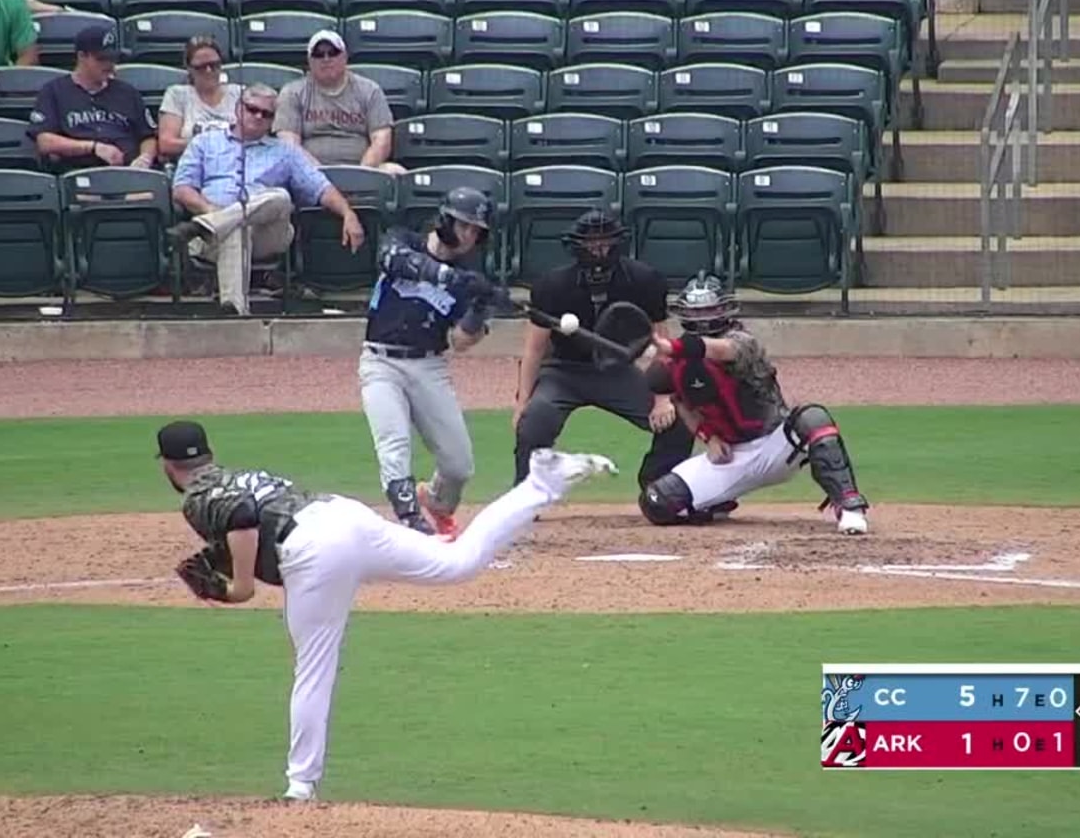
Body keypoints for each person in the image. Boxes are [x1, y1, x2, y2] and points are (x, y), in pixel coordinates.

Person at [157, 419, 617, 802]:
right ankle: (542, 482)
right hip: (344, 516)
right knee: (457, 563)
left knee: (314, 669)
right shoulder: (241, 473)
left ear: (168, 466)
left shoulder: (196, 499)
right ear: (207, 454)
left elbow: (239, 517)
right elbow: (248, 509)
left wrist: (238, 588)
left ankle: (300, 786)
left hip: (316, 552)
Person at [635, 273, 872, 535]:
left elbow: (721, 350)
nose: (702, 317)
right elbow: (683, 404)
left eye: (709, 309)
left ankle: (849, 506)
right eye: (696, 311)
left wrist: (672, 346)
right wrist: (709, 437)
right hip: (731, 456)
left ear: (724, 309)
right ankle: (715, 502)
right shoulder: (676, 361)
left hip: (775, 445)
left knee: (812, 417)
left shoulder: (743, 342)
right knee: (657, 502)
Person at [359, 187, 509, 537]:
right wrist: (449, 277)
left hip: (428, 366)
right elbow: (391, 259)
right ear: (445, 221)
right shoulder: (403, 240)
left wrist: (480, 309)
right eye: (464, 226)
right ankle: (410, 518)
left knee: (459, 464)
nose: (470, 236)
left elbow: (459, 342)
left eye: (476, 231)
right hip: (380, 363)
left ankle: (437, 504)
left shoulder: (468, 278)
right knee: (393, 443)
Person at [512, 208, 695, 492]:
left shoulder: (644, 280)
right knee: (534, 422)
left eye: (605, 241)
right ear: (577, 245)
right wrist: (522, 402)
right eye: (591, 242)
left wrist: (662, 398)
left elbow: (663, 345)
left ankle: (660, 489)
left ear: (618, 242)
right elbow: (534, 350)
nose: (598, 248)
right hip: (562, 371)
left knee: (680, 419)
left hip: (617, 371)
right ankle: (525, 495)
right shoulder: (552, 286)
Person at [168, 84, 366, 316]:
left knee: (280, 197)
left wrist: (348, 213)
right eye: (253, 109)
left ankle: (209, 224)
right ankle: (235, 312)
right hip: (213, 238)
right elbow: (181, 188)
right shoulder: (204, 143)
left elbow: (320, 186)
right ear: (238, 108)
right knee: (236, 228)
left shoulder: (285, 151)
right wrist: (211, 209)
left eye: (267, 114)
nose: (259, 117)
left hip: (267, 234)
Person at [28, 25, 157, 173]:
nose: (109, 64)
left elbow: (148, 136)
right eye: (102, 59)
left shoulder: (128, 92)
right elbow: (44, 141)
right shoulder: (54, 91)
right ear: (81, 56)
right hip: (78, 174)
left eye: (113, 58)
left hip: (127, 172)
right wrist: (93, 147)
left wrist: (144, 159)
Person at [273, 30, 404, 174]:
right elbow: (289, 144)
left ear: (344, 57)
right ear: (309, 61)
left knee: (397, 172)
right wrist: (318, 178)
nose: (326, 59)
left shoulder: (370, 90)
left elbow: (382, 140)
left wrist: (361, 173)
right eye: (318, 54)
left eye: (333, 52)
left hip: (363, 168)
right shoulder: (293, 92)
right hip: (308, 173)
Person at [156, 35, 242, 163]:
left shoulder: (239, 93)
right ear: (189, 69)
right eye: (201, 67)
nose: (208, 71)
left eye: (214, 65)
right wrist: (214, 144)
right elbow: (166, 144)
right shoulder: (177, 94)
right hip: (192, 164)